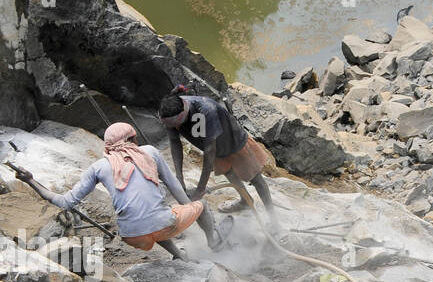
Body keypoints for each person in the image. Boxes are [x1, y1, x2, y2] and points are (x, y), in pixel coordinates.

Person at [11, 123, 229, 259]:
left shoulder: (98, 167)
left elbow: (64, 202)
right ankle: (214, 242)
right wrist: (190, 208)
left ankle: (180, 256)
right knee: (200, 207)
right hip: (162, 225)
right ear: (132, 139)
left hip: (132, 237)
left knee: (148, 219)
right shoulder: (150, 152)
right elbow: (175, 187)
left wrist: (31, 180)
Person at [159, 89, 280, 228]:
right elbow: (175, 142)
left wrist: (200, 190)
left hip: (234, 143)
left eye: (178, 124)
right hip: (215, 150)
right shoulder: (167, 113)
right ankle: (245, 200)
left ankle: (273, 218)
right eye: (173, 126)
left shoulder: (207, 110)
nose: (176, 128)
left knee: (256, 179)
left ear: (185, 110)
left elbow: (210, 152)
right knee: (229, 174)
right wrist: (179, 177)